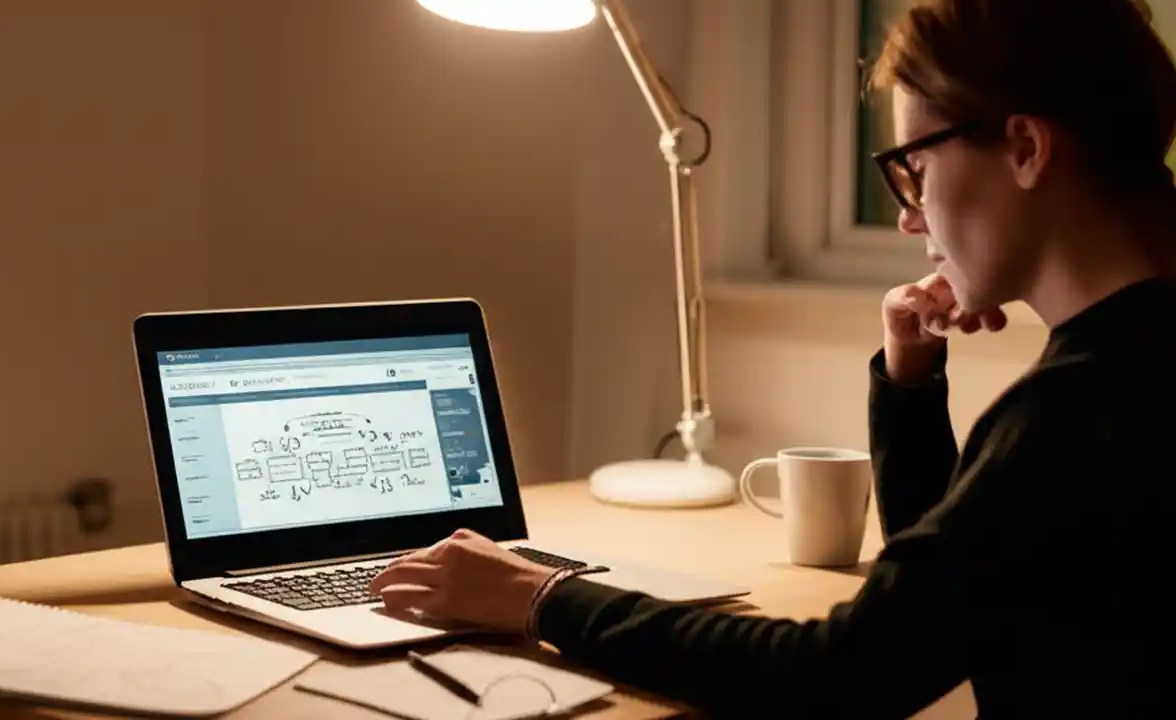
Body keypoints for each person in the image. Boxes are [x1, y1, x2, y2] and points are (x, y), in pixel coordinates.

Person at [370, 0, 1176, 716]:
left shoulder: (1079, 405)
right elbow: (946, 594)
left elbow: (835, 675)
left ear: (1027, 148)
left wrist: (545, 598)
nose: (908, 218)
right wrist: (909, 379)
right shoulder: (1134, 361)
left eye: (915, 170)